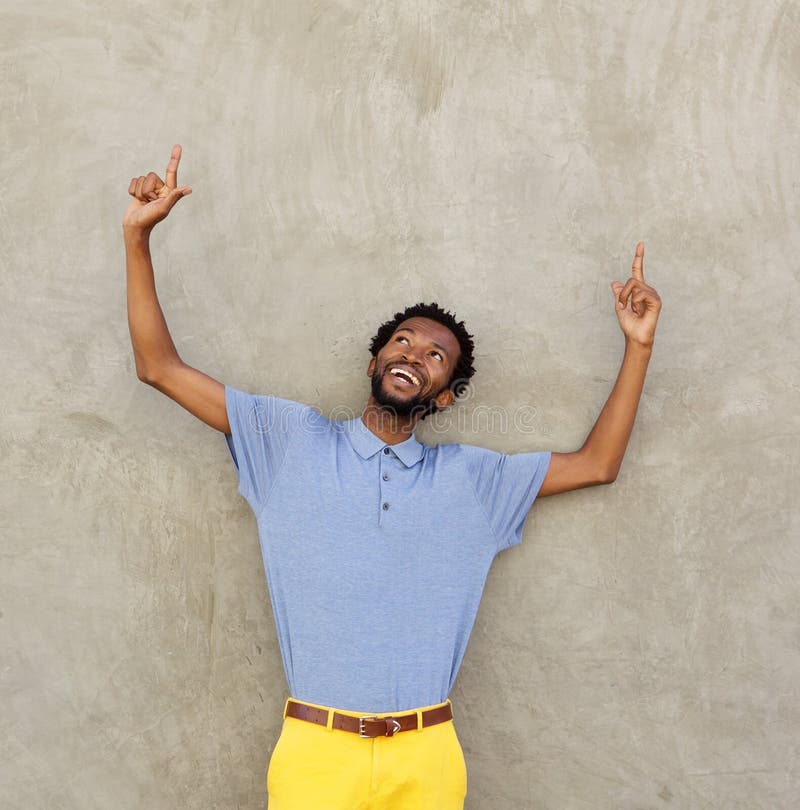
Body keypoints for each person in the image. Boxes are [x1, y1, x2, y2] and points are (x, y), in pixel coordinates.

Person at [124, 145, 662, 810]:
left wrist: (638, 346)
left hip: (428, 756)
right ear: (376, 360)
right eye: (404, 341)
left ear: (445, 397)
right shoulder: (287, 442)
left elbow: (597, 465)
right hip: (314, 751)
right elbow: (158, 367)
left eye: (437, 356)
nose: (416, 354)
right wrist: (137, 238)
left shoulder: (474, 481)